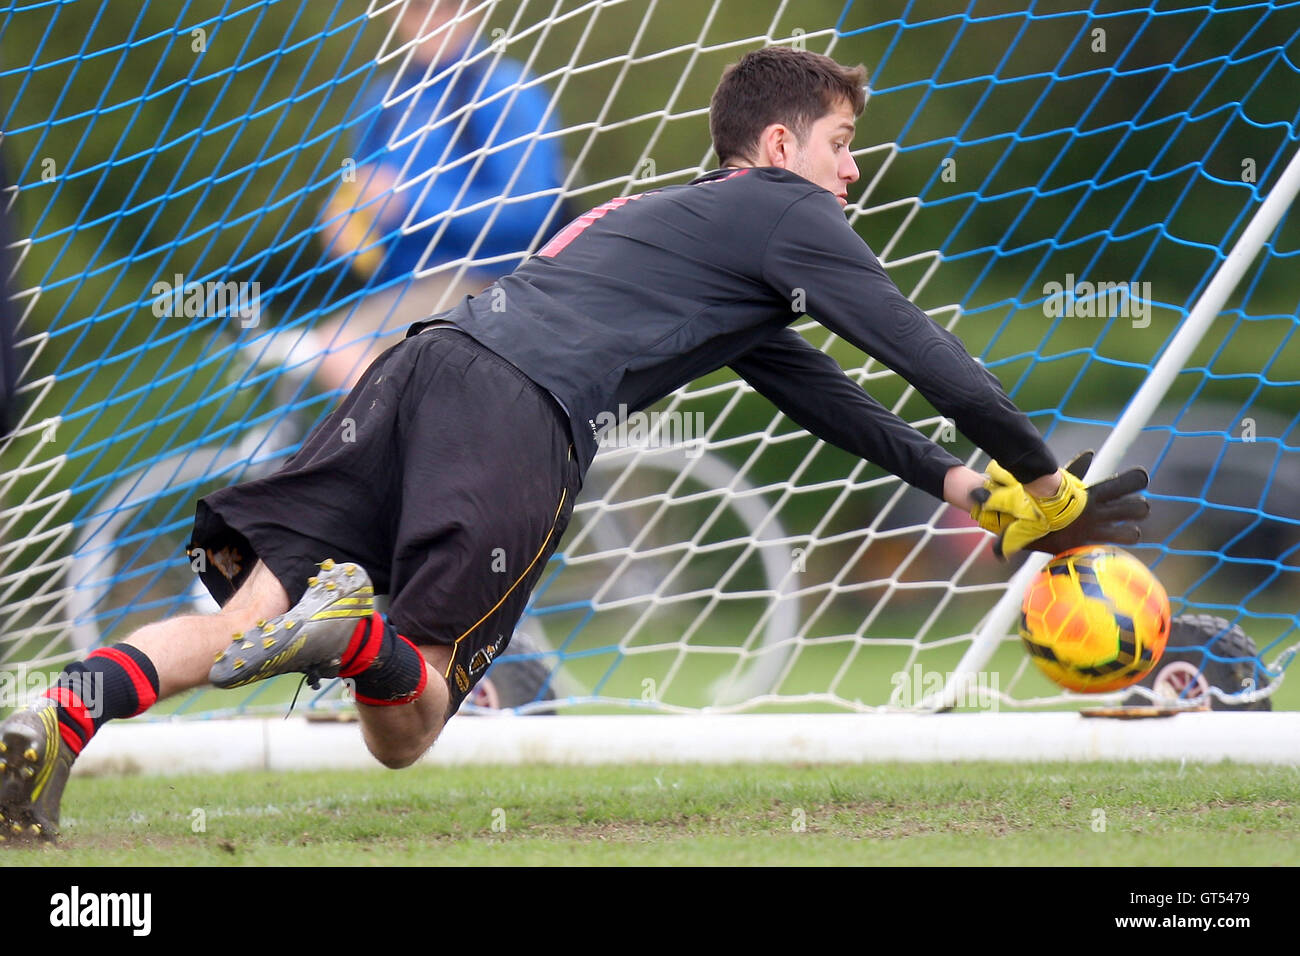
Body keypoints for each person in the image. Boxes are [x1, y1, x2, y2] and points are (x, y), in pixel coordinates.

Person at [0, 46, 1148, 843]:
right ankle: (357, 636)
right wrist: (1049, 484)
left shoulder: (678, 229)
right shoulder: (784, 212)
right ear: (781, 140)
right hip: (519, 411)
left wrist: (956, 478)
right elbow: (921, 348)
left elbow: (820, 390)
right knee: (411, 717)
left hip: (421, 358)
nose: (853, 171)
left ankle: (68, 709)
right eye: (844, 144)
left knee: (242, 618)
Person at [306, 0, 566, 389]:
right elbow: (363, 200)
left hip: (485, 286)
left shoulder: (504, 88)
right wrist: (347, 224)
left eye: (447, 6)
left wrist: (410, 202)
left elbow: (530, 210)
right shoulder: (385, 100)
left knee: (339, 349)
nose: (432, 18)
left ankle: (407, 444)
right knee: (316, 360)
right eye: (417, 7)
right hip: (398, 292)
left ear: (476, 10)